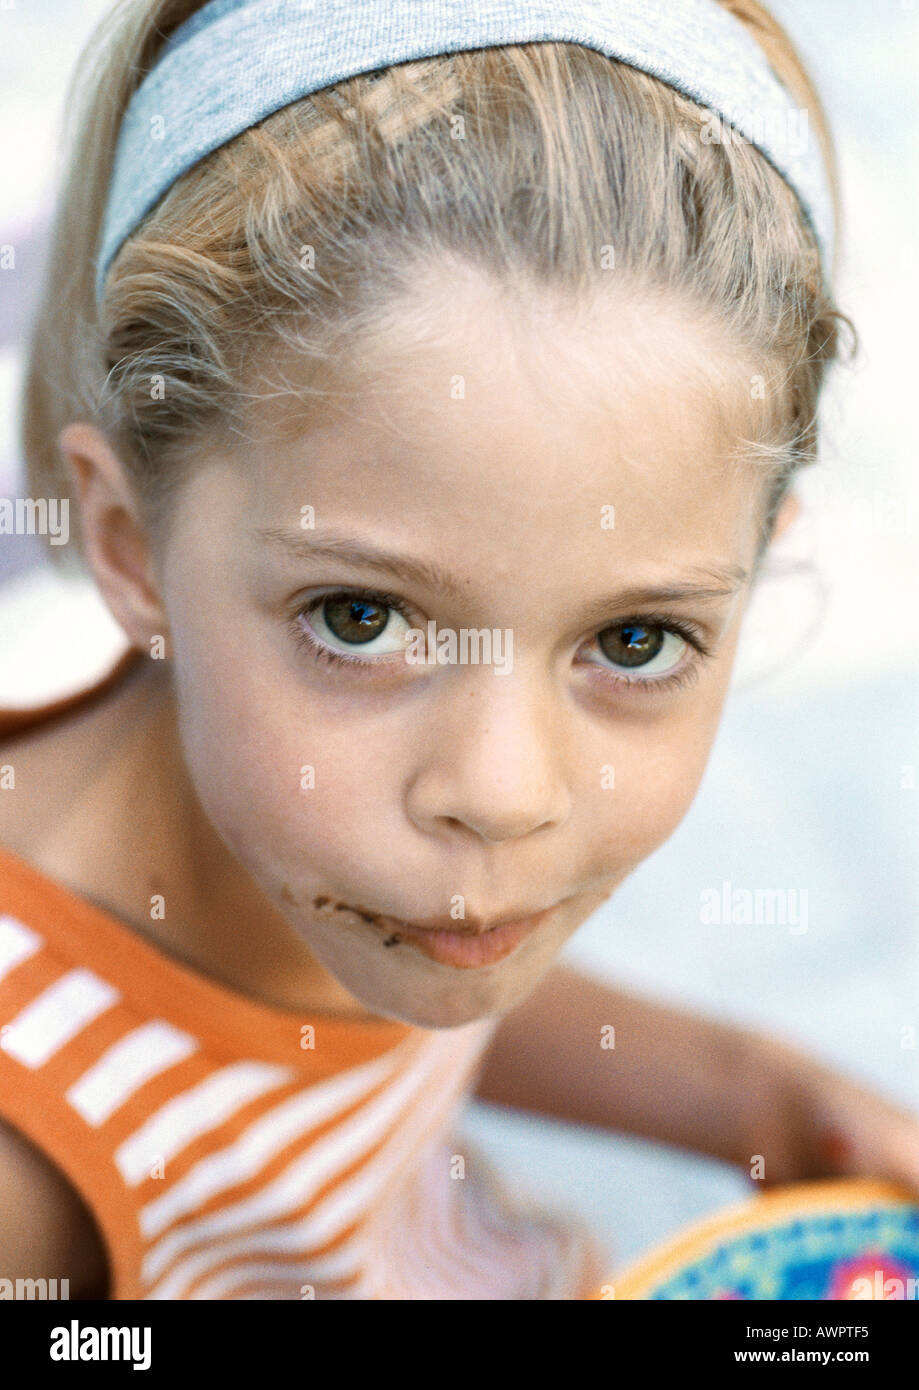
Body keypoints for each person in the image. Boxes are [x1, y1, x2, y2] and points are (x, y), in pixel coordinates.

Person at [0, 0, 915, 1300]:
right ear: (129, 543)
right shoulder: (30, 1148)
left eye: (636, 636)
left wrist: (753, 1095)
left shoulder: (351, 867)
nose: (501, 792)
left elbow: (378, 1010)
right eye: (361, 619)